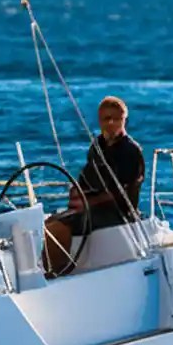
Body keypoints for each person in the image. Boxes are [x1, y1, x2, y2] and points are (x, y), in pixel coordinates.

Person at [43, 96, 145, 275]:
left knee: (60, 227)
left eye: (116, 119)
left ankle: (57, 272)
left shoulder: (131, 151)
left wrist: (87, 203)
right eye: (106, 118)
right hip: (94, 208)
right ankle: (47, 268)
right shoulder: (97, 146)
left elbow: (123, 192)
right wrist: (76, 192)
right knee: (49, 222)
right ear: (100, 121)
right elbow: (86, 177)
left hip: (119, 213)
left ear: (124, 120)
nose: (111, 122)